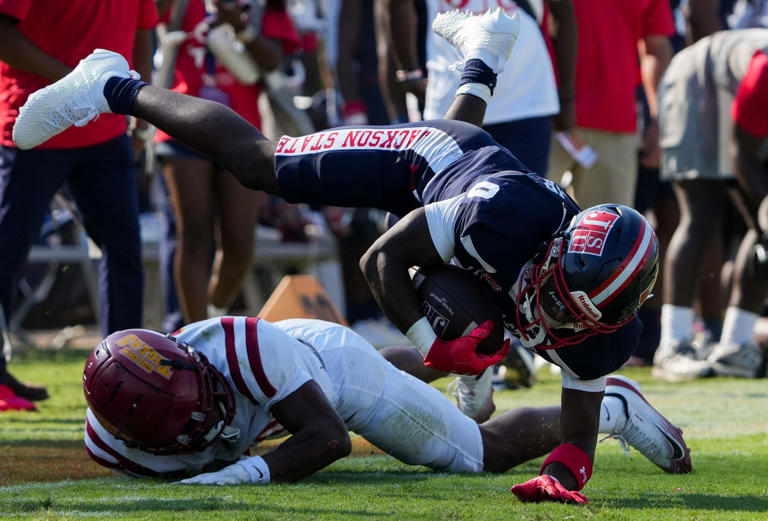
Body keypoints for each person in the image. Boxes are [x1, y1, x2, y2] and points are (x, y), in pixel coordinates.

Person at [14, 8, 667, 497]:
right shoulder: (508, 215)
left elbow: (577, 437)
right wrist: (443, 350)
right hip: (425, 165)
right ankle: (113, 85)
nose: (548, 308)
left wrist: (562, 475)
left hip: (465, 193)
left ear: (608, 320)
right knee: (260, 166)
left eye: (566, 308)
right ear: (555, 250)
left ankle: (482, 57)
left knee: (468, 329)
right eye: (551, 286)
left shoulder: (602, 338)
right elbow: (380, 259)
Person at [82, 316, 691, 505]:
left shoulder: (243, 350)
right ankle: (468, 363)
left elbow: (327, 440)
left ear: (194, 361)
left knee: (480, 453)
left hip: (327, 369)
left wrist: (233, 473)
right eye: (189, 428)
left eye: (206, 401)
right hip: (300, 367)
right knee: (365, 370)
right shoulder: (116, 444)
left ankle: (609, 405)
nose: (211, 424)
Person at [0, 0, 158, 410]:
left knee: (123, 252)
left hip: (104, 133)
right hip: (31, 125)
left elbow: (144, 30)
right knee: (6, 250)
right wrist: (78, 83)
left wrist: (140, 113)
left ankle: (123, 375)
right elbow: (4, 37)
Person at [153, 0, 302, 324]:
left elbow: (274, 60)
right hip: (182, 122)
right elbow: (146, 16)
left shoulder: (263, 5)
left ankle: (214, 314)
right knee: (192, 235)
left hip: (242, 131)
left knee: (239, 242)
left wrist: (241, 26)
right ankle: (191, 336)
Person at [652, 29, 768, 381]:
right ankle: (672, 343)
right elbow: (741, 155)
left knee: (761, 229)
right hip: (697, 79)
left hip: (736, 91)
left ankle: (736, 345)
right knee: (702, 211)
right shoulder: (765, 72)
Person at [546, 0, 675, 210]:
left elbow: (656, 48)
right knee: (522, 229)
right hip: (542, 116)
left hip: (615, 122)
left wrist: (659, 117)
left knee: (610, 234)